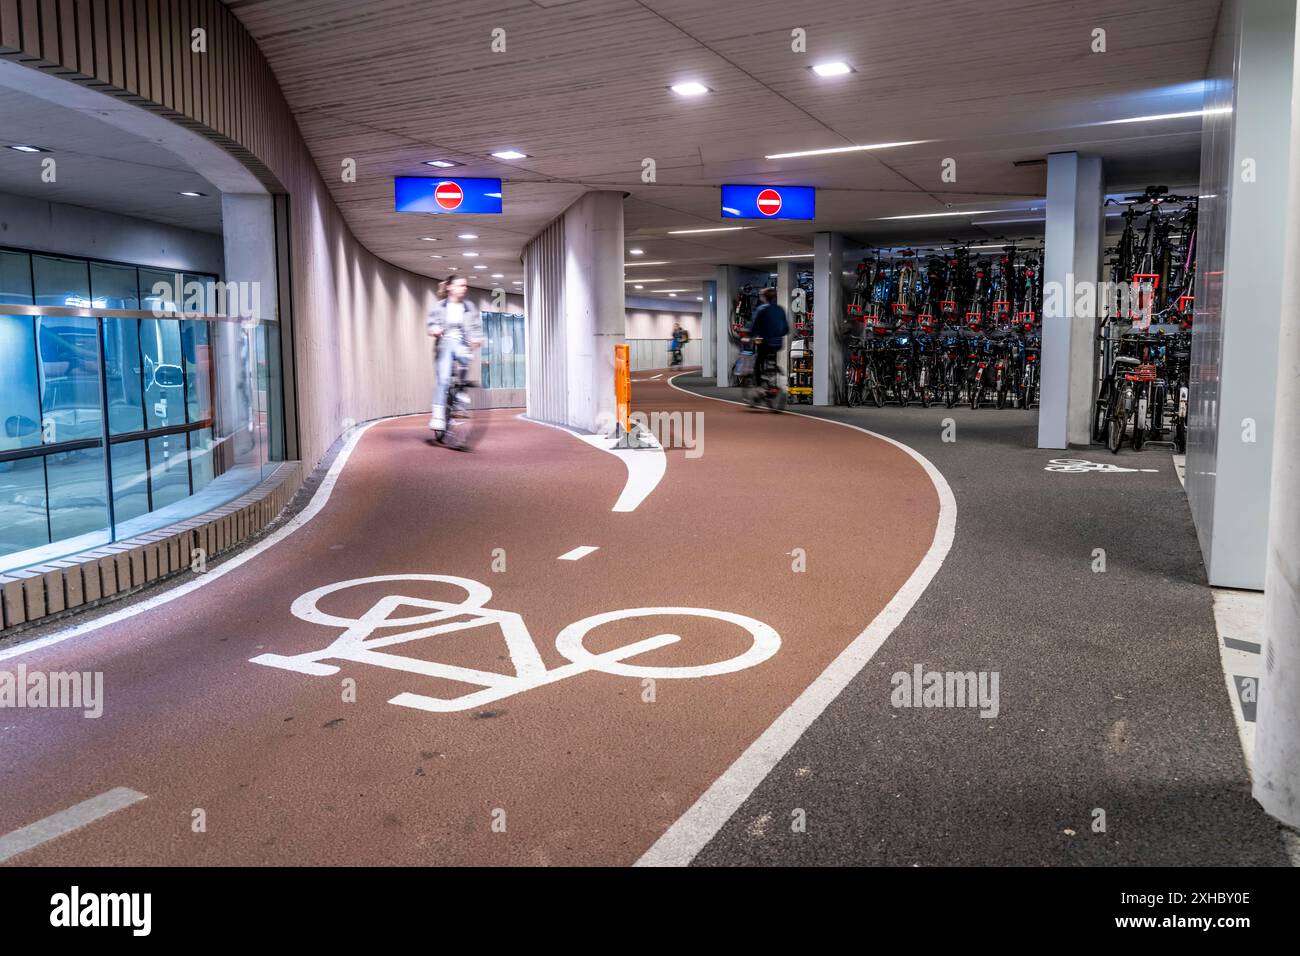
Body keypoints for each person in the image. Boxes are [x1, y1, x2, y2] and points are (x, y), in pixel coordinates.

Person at [427, 275, 483, 431]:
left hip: (462, 345)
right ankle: (437, 416)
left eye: (465, 286)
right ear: (450, 287)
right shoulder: (439, 307)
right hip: (444, 345)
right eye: (460, 285)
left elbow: (475, 328)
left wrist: (476, 339)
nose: (464, 288)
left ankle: (460, 391)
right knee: (443, 381)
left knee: (466, 355)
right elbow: (431, 324)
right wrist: (434, 330)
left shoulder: (469, 307)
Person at [747, 287, 788, 386]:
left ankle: (758, 386)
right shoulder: (780, 309)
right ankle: (773, 375)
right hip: (778, 343)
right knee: (770, 358)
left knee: (758, 363)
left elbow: (754, 326)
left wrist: (749, 336)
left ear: (764, 297)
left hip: (765, 342)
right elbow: (786, 329)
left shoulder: (761, 309)